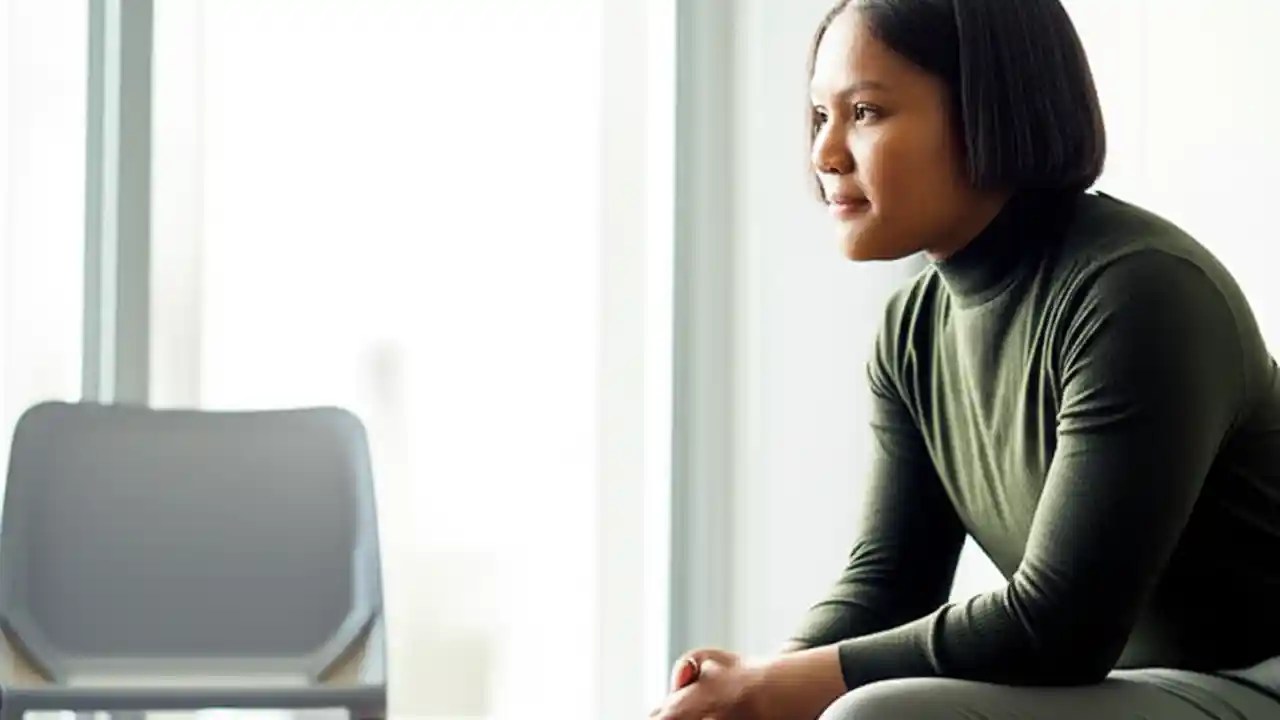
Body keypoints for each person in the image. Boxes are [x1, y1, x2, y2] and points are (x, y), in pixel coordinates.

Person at [647, 0, 1280, 718]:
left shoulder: (1139, 291)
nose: (825, 153)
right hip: (1123, 688)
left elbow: (1060, 624)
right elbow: (887, 584)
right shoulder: (912, 329)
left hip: (1253, 678)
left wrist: (780, 688)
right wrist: (750, 689)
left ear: (991, 109)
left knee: (875, 715)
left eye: (867, 112)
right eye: (820, 116)